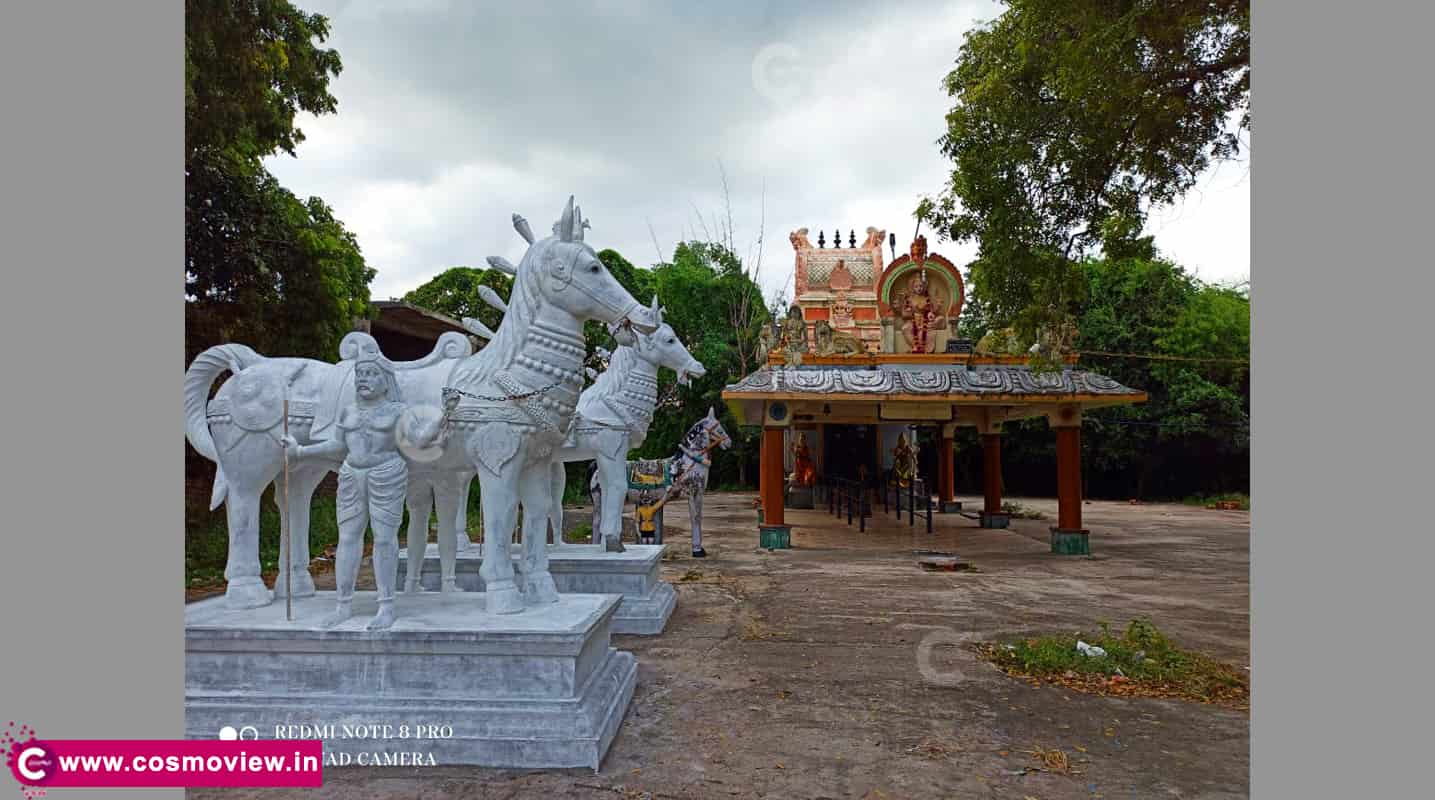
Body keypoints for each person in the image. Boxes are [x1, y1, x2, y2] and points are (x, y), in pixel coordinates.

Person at [284, 351, 447, 630]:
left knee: (384, 539)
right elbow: (337, 446)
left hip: (386, 473)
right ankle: (342, 604)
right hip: (350, 474)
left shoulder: (398, 411)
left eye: (371, 374)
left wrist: (443, 418)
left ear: (386, 381)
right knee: (347, 537)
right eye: (360, 374)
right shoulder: (348, 411)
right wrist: (300, 451)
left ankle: (386, 605)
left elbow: (418, 442)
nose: (364, 379)